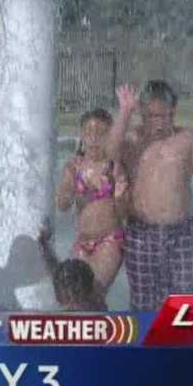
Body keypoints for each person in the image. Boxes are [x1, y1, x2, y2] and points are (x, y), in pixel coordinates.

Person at [105, 81, 193, 311]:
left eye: (164, 116)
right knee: (143, 304)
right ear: (141, 113)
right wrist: (124, 112)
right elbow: (109, 152)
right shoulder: (133, 140)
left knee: (187, 303)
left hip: (181, 234)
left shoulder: (185, 139)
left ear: (173, 112)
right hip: (141, 233)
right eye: (151, 116)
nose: (158, 123)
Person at [55, 108, 129, 298]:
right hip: (82, 242)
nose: (94, 138)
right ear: (81, 135)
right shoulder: (74, 167)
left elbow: (125, 215)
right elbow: (63, 206)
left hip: (109, 241)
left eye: (101, 133)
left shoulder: (114, 167)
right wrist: (67, 189)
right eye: (89, 132)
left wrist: (120, 197)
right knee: (72, 293)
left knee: (95, 293)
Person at [38, 226, 107, 311]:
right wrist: (43, 243)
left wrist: (43, 242)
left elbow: (51, 264)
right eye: (68, 298)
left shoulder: (96, 304)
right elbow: (51, 263)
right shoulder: (95, 300)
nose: (72, 304)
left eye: (76, 298)